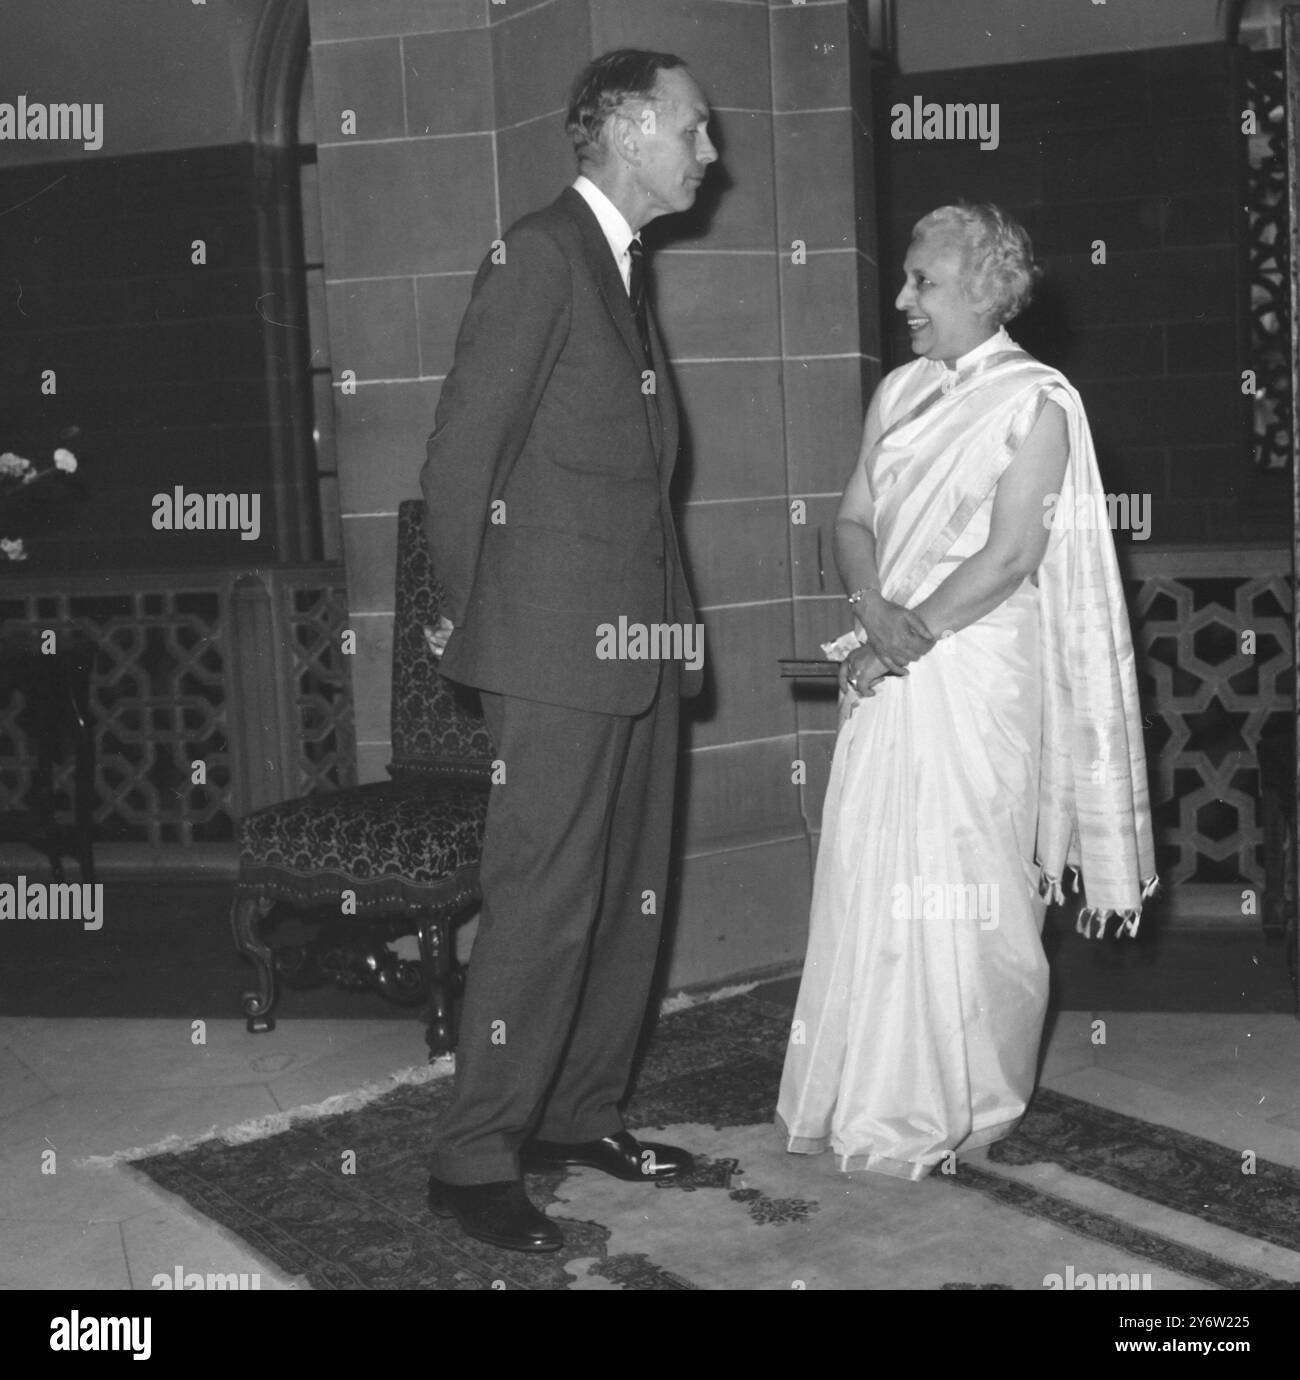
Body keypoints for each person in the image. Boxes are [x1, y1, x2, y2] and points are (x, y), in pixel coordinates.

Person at [776, 202, 1157, 1180]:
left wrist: (900, 638)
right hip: (889, 659)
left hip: (980, 669)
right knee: (871, 871)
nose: (901, 298)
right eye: (905, 279)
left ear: (985, 293)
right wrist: (873, 614)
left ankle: (976, 1097)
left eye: (923, 283)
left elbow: (1011, 553)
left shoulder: (1038, 400)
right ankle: (871, 1091)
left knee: (976, 883)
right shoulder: (899, 392)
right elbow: (851, 517)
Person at [419, 50, 717, 1252]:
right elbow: (458, 460)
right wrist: (464, 620)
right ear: (631, 128)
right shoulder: (539, 254)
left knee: (624, 905)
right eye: (695, 129)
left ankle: (578, 1114)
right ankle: (475, 1155)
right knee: (541, 906)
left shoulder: (622, 269)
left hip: (638, 649)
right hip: (551, 654)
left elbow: (640, 490)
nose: (711, 152)